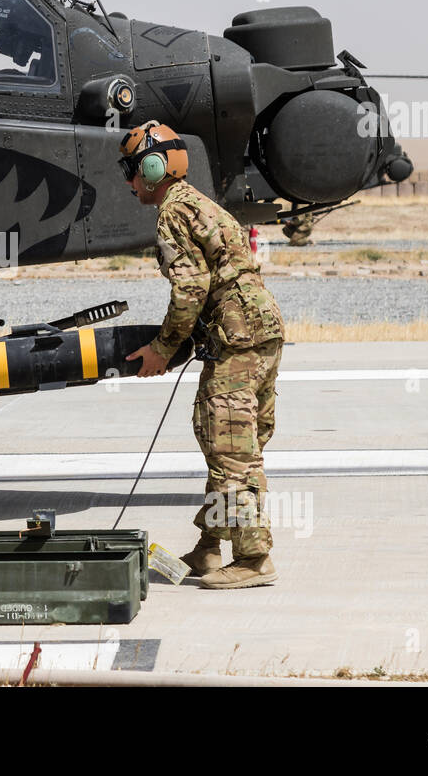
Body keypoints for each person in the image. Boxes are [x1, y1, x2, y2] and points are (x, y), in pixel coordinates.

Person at [121, 120, 285, 589]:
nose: (130, 182)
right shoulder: (201, 204)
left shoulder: (173, 211)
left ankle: (254, 559)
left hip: (237, 340)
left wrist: (162, 348)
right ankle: (210, 549)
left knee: (229, 452)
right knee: (235, 444)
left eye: (133, 171)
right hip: (261, 333)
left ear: (154, 168)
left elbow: (191, 289)